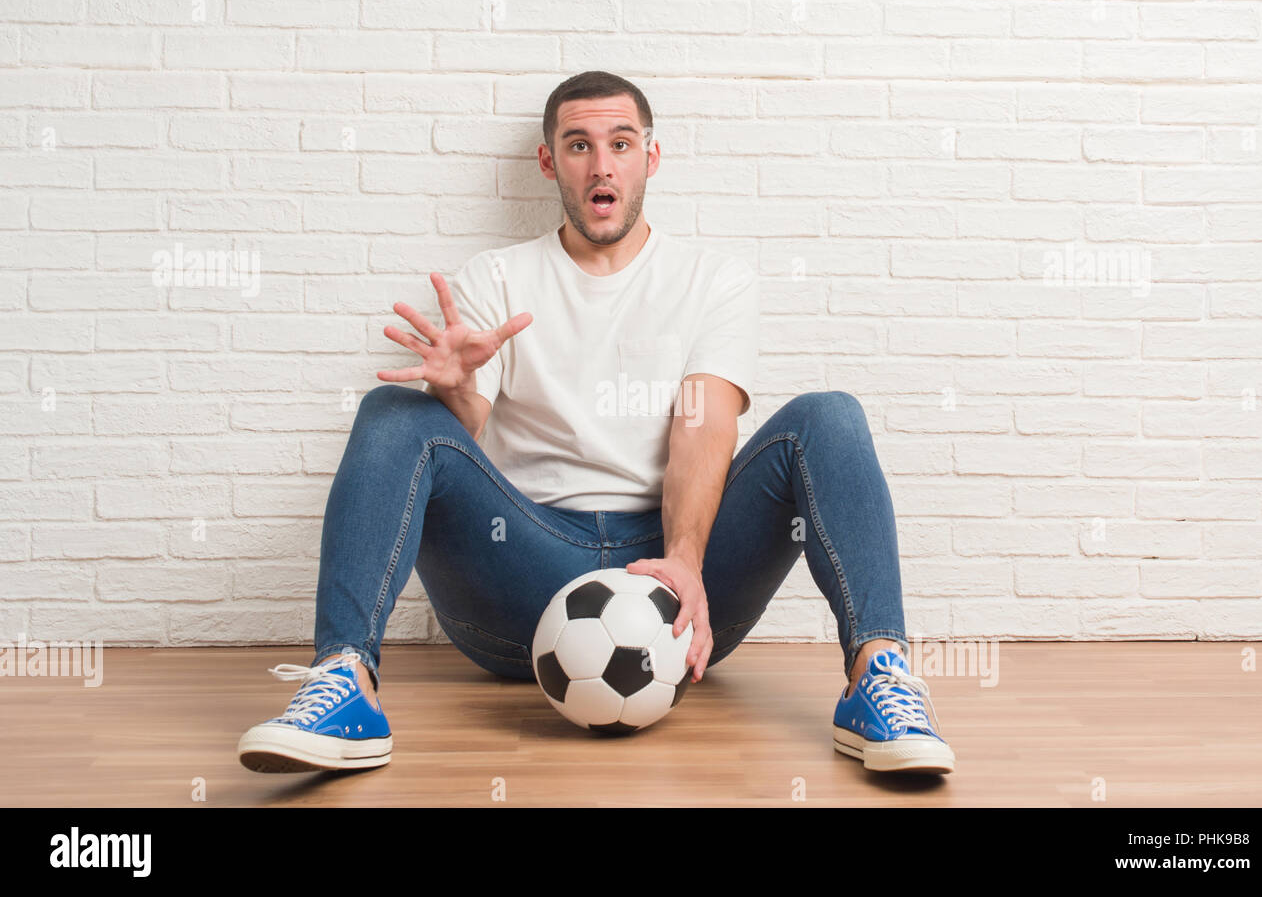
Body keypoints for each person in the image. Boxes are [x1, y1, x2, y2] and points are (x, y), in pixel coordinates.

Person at [237, 71, 955, 777]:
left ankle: (878, 679)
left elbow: (702, 427)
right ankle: (342, 686)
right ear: (549, 161)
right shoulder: (495, 278)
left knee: (828, 417)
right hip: (526, 565)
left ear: (652, 155)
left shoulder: (714, 280)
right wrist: (452, 391)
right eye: (578, 145)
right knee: (394, 412)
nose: (601, 164)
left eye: (620, 142)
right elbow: (468, 432)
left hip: (678, 579)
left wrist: (682, 560)